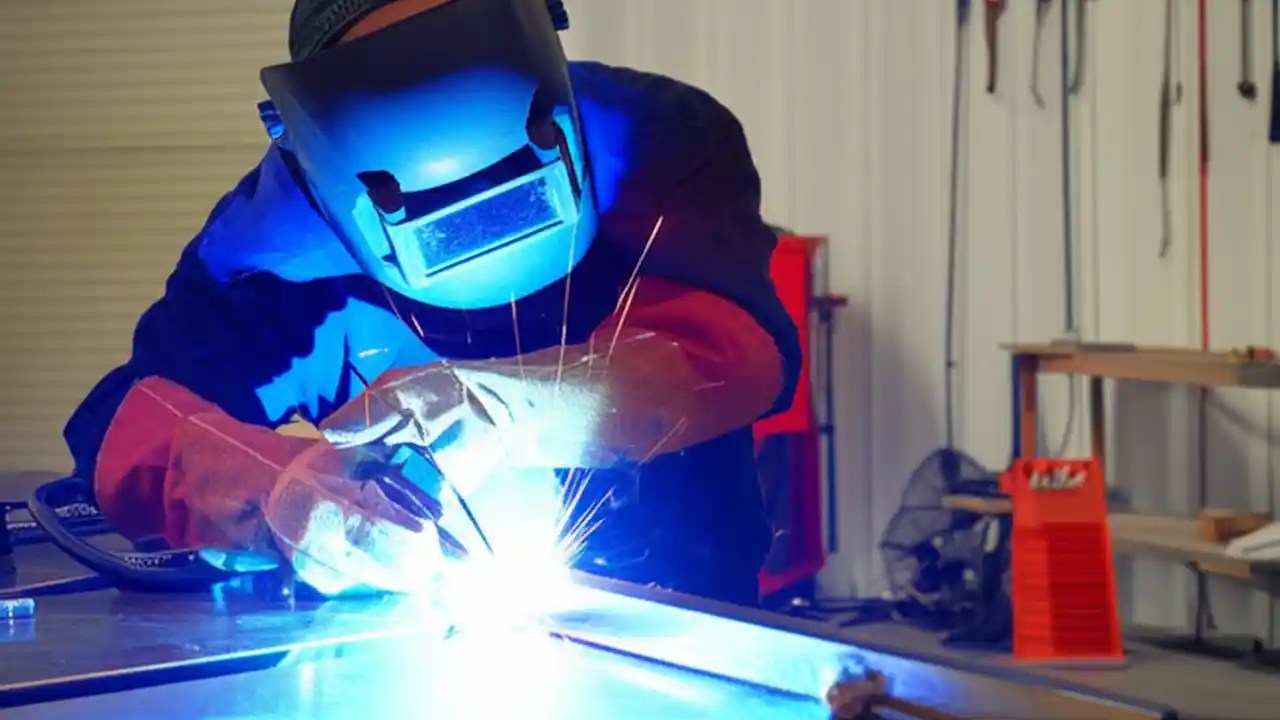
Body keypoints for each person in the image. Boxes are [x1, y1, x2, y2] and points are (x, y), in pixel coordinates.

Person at [64, 0, 800, 605]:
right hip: (412, 636)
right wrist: (274, 491)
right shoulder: (275, 247)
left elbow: (724, 349)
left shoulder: (651, 140)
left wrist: (517, 409)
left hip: (687, 608)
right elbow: (130, 424)